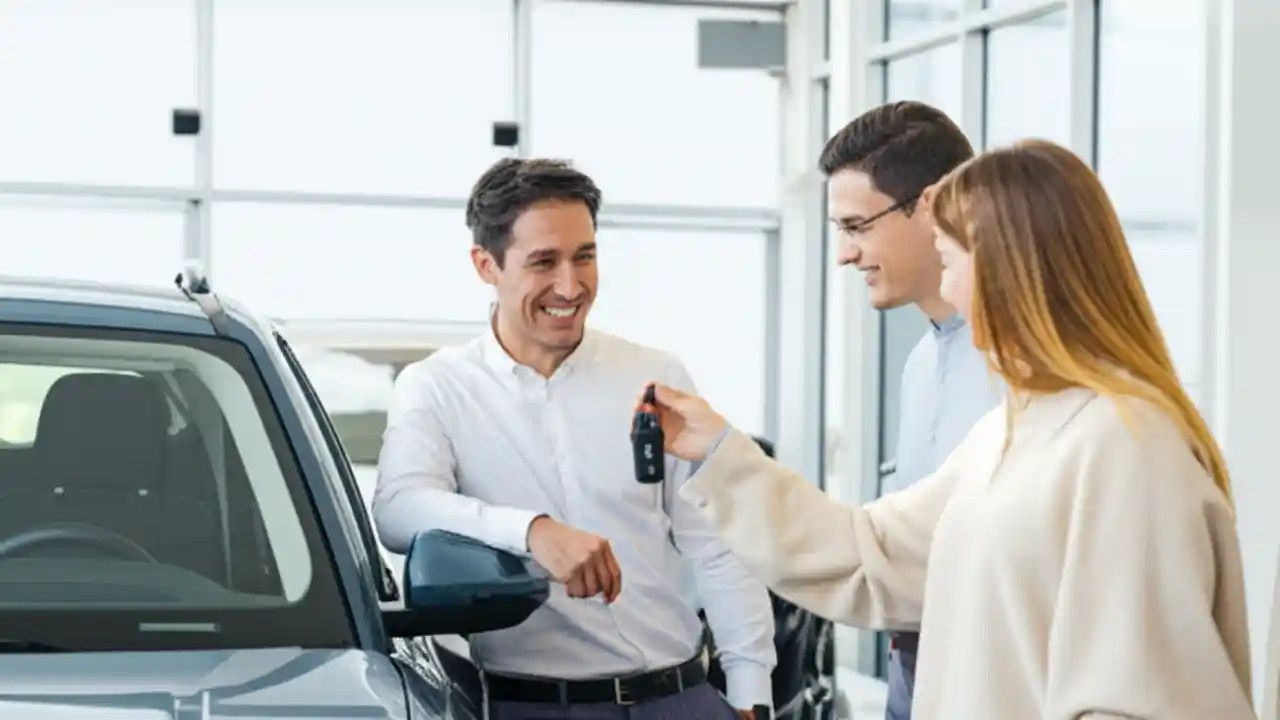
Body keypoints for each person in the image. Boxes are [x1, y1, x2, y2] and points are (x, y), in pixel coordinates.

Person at [639, 139, 1255, 719]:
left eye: (950, 261)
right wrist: (719, 453)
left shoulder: (1127, 444)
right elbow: (870, 554)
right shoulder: (1010, 433)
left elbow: (1142, 695)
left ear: (1011, 272)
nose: (950, 288)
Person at [373, 157, 776, 720]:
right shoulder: (438, 387)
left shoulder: (656, 375)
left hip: (682, 699)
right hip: (533, 707)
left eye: (584, 256)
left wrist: (750, 689)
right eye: (544, 262)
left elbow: (716, 543)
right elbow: (399, 509)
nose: (571, 285)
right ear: (486, 265)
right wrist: (533, 532)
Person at [820, 101, 1004, 718]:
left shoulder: (1028, 371)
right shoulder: (920, 364)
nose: (845, 255)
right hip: (912, 664)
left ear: (928, 206)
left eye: (856, 226)